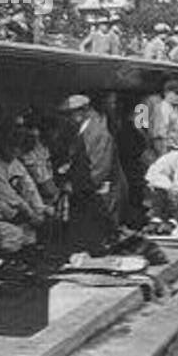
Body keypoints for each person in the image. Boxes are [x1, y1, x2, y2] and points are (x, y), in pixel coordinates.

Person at [59, 94, 125, 251]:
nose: (68, 119)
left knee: (103, 232)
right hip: (91, 189)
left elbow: (100, 167)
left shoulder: (97, 132)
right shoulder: (85, 130)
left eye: (70, 114)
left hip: (102, 190)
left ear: (83, 111)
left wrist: (77, 186)